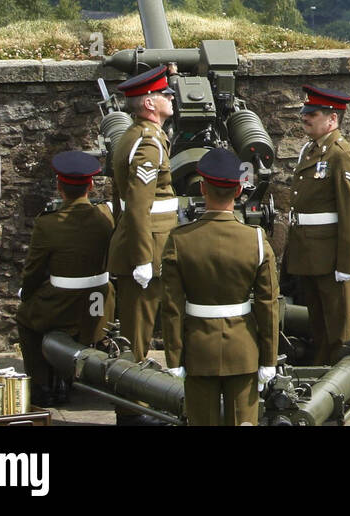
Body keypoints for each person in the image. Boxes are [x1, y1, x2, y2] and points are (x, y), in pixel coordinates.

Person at [161, 149, 279, 426]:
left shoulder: (180, 240)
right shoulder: (256, 240)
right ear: (239, 191)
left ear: (202, 188)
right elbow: (268, 305)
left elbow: (172, 307)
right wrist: (269, 359)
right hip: (244, 350)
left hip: (198, 349)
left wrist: (174, 357)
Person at [16, 150, 113, 407]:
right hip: (101, 305)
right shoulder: (106, 216)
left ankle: (42, 386)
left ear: (60, 187)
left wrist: (27, 295)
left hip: (63, 304)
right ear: (91, 185)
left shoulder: (48, 224)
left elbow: (34, 271)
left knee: (26, 319)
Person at [283, 86, 350, 363]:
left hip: (332, 259)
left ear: (332, 119)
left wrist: (348, 265)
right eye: (305, 112)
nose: (305, 118)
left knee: (338, 331)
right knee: (318, 328)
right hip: (310, 255)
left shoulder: (341, 155)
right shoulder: (311, 150)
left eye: (313, 113)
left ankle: (341, 393)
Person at [106, 65, 179, 361]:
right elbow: (138, 205)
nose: (171, 97)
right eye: (164, 93)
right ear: (149, 103)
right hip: (148, 246)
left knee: (140, 328)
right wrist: (142, 259)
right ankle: (131, 403)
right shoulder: (148, 144)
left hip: (147, 242)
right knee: (138, 332)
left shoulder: (138, 135)